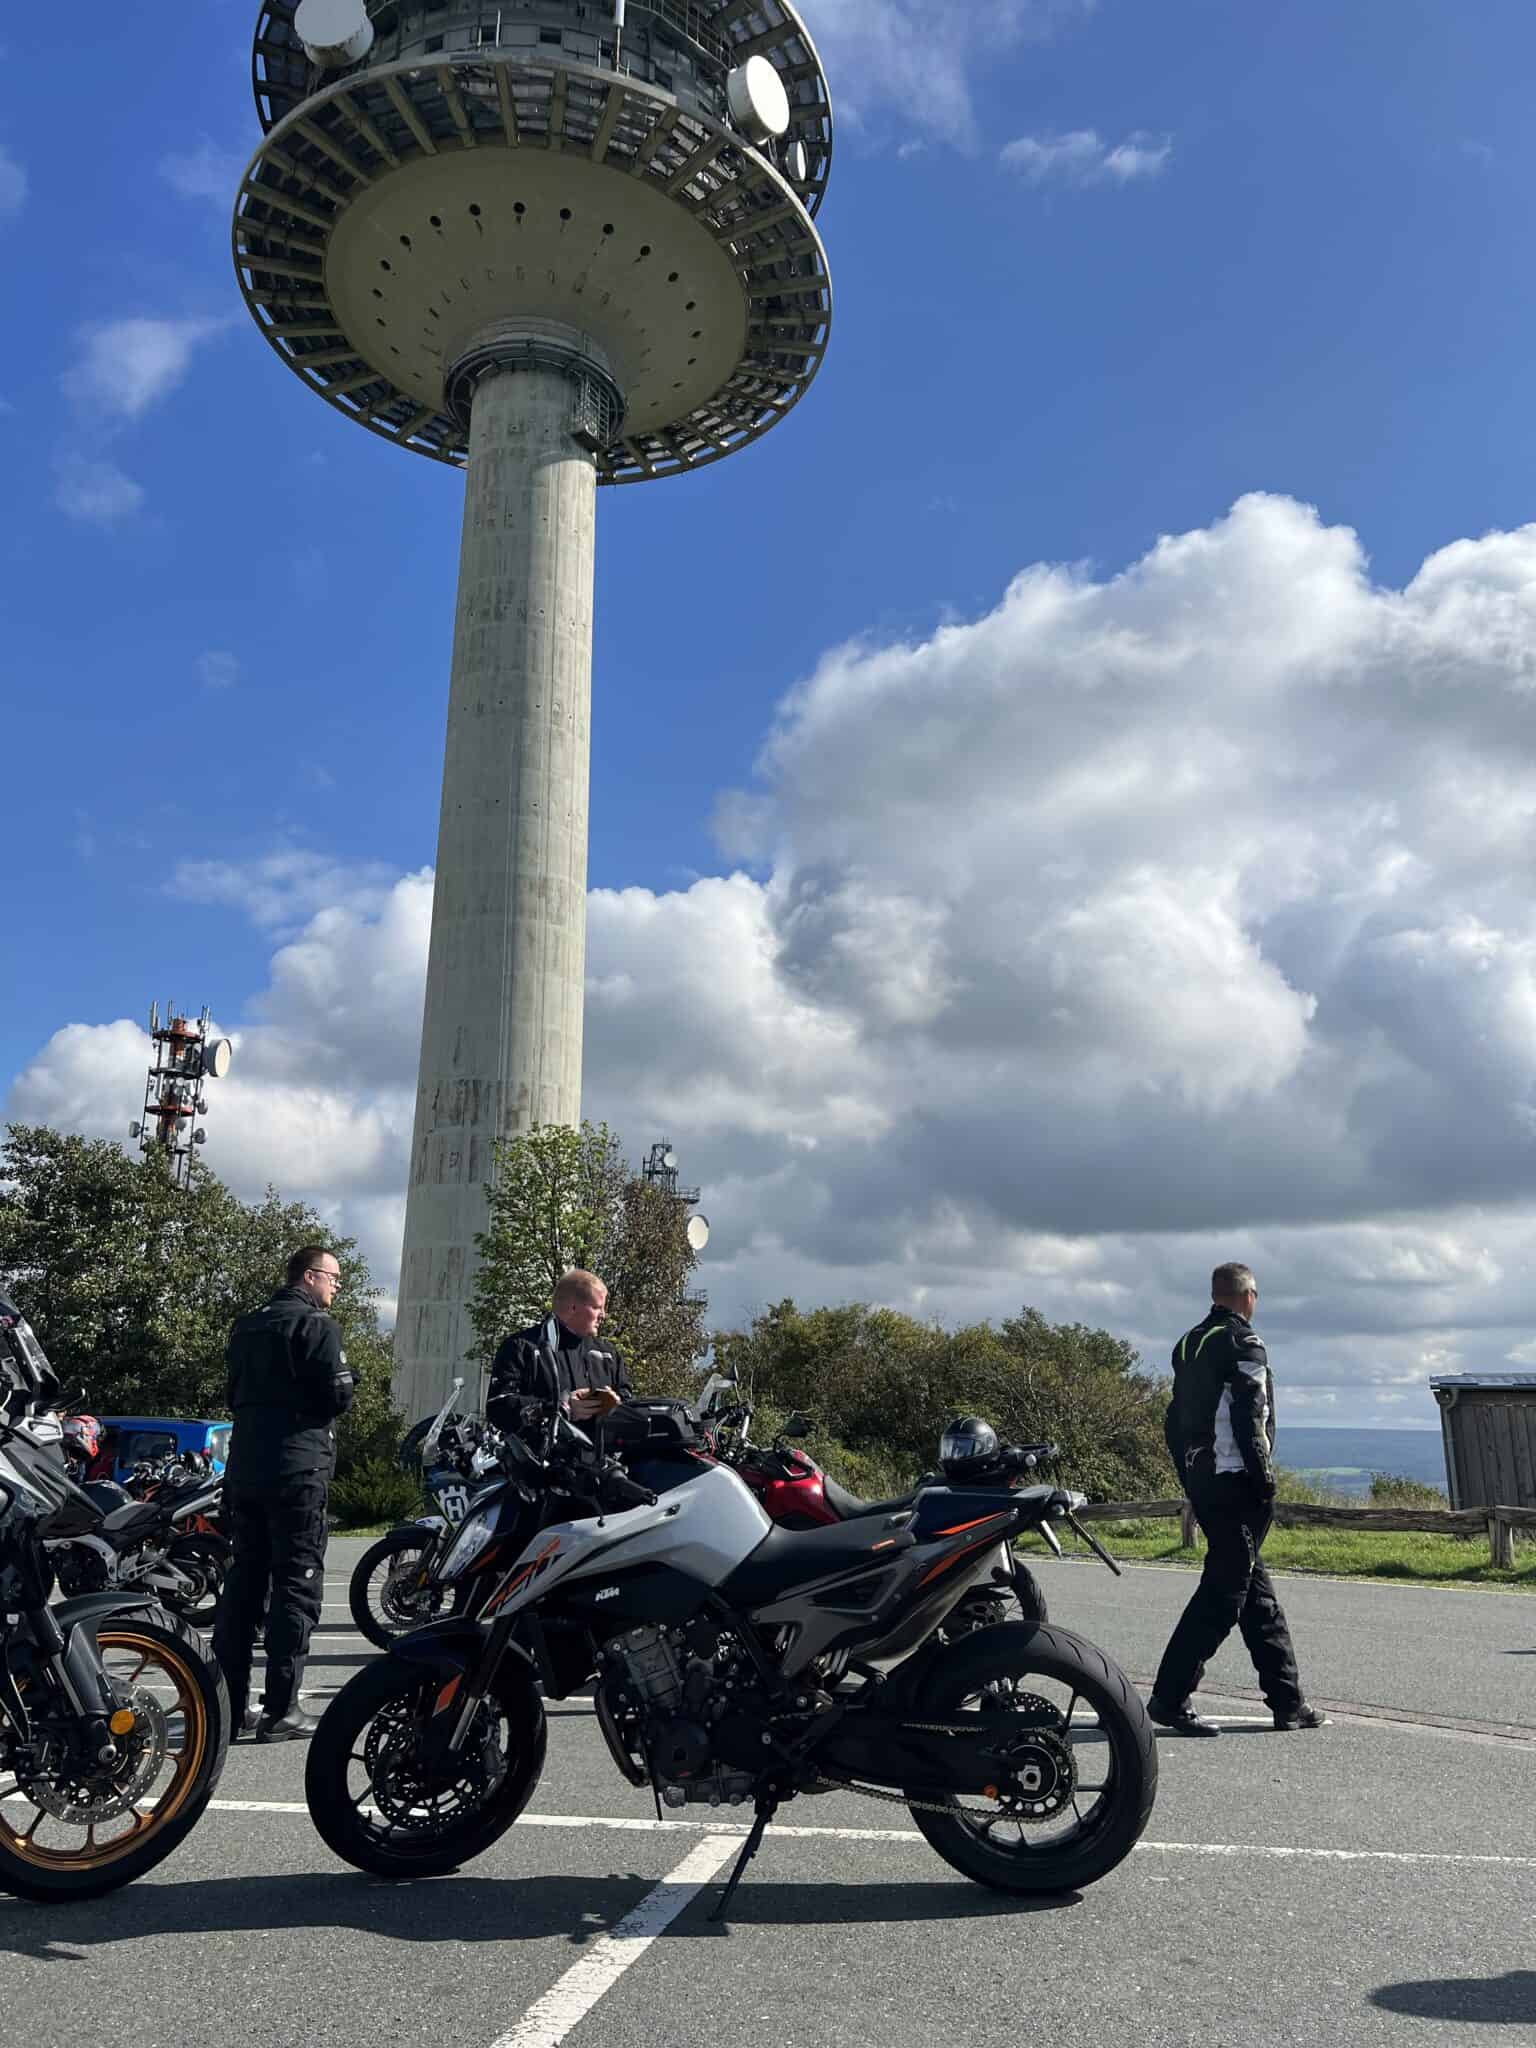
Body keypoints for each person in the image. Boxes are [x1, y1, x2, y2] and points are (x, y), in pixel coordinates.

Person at [1149, 1262, 1326, 1737]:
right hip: (1236, 1483)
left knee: (1255, 1594)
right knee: (1224, 1594)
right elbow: (1252, 1415)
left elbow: (1173, 1421)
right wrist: (1264, 1481)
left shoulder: (1188, 1343)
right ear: (1249, 1296)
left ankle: (1288, 1702)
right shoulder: (1244, 1341)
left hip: (1205, 1481)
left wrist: (1189, 1479)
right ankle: (1169, 1698)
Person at [211, 1245, 355, 1742]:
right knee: (296, 1584)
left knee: (244, 1583)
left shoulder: (246, 1326)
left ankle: (229, 1707)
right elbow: (339, 1394)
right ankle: (281, 1708)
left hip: (246, 1466)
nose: (337, 1286)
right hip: (298, 1468)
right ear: (310, 1276)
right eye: (333, 1277)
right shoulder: (317, 1325)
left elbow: (232, 1393)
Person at [486, 1268, 631, 1430]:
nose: (603, 1315)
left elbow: (628, 1402)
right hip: (541, 1446)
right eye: (597, 1307)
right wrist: (559, 1407)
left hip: (600, 1446)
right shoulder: (521, 1347)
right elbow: (498, 1407)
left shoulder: (608, 1354)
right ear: (573, 1308)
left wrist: (616, 1406)